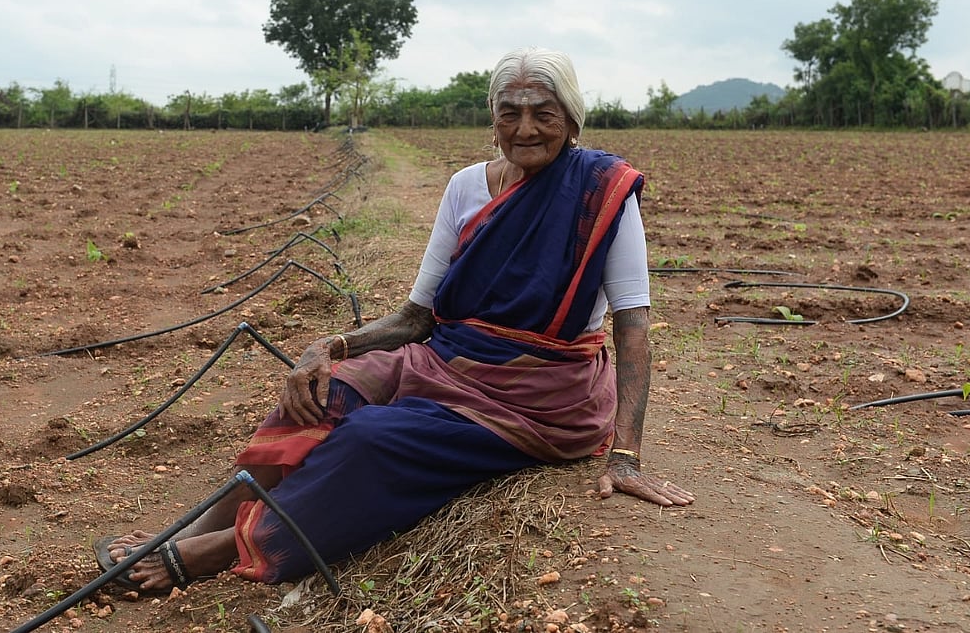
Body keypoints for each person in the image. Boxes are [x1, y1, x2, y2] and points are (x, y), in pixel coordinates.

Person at [95, 46, 694, 594]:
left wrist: (625, 456)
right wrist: (330, 347)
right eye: (509, 113)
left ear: (572, 119)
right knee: (325, 393)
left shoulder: (602, 193)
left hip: (539, 396)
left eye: (544, 113)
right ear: (492, 120)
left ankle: (215, 550)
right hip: (447, 358)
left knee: (373, 440)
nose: (525, 128)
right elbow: (416, 317)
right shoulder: (466, 187)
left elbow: (633, 327)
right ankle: (190, 528)